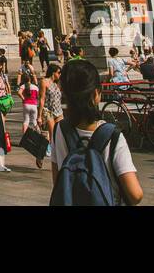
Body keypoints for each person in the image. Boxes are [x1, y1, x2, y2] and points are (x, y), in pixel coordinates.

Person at [51, 60, 142, 205]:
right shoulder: (113, 136)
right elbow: (135, 194)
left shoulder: (59, 131)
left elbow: (58, 182)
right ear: (96, 94)